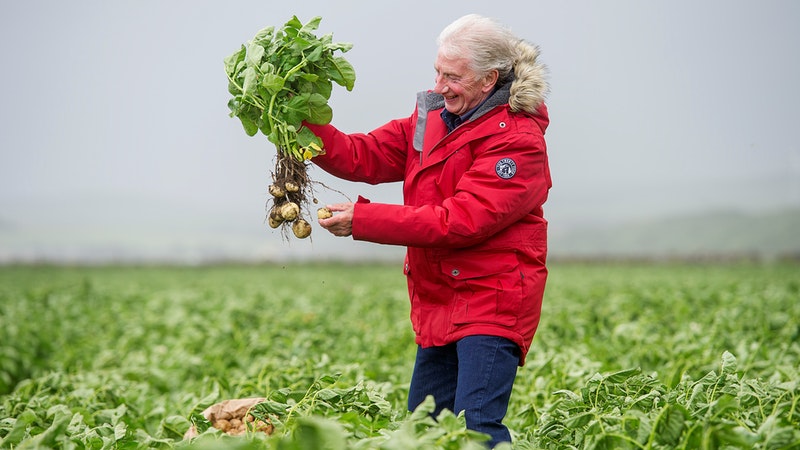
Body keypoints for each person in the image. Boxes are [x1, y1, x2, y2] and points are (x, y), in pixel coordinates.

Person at [306, 14, 550, 448]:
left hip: (492, 300)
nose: (439, 85)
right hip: (439, 299)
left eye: (452, 76)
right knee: (423, 430)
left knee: (477, 428)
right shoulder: (434, 118)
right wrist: (299, 122)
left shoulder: (519, 142)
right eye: (437, 71)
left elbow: (459, 220)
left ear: (488, 79)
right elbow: (360, 154)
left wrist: (362, 220)